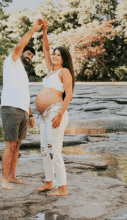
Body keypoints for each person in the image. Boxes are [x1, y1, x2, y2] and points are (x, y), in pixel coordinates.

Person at [0, 19, 43, 190]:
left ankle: (12, 176)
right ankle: (4, 179)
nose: (30, 57)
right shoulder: (12, 61)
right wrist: (34, 29)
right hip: (10, 108)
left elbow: (24, 94)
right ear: (21, 52)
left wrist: (30, 114)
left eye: (32, 56)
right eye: (28, 54)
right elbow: (20, 45)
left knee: (17, 144)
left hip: (23, 110)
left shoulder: (23, 73)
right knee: (10, 143)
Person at [36, 20, 75, 196]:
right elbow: (45, 48)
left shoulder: (64, 72)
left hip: (55, 112)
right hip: (44, 115)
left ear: (64, 58)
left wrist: (60, 114)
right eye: (54, 54)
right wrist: (44, 30)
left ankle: (63, 187)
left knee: (55, 151)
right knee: (44, 149)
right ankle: (49, 182)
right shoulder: (51, 70)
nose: (54, 57)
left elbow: (69, 95)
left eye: (58, 55)